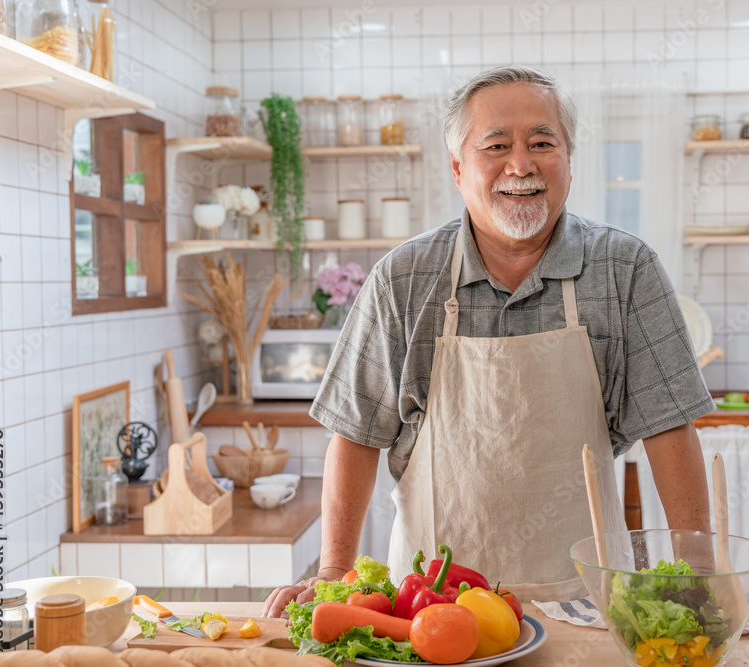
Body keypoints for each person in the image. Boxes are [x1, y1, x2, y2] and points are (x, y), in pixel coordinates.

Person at [263, 65, 715, 618]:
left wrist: (698, 575)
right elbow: (356, 433)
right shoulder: (403, 279)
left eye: (542, 143)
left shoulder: (625, 269)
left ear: (569, 160)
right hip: (429, 610)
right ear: (458, 167)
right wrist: (334, 573)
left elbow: (669, 428)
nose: (521, 165)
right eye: (496, 145)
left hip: (587, 606)